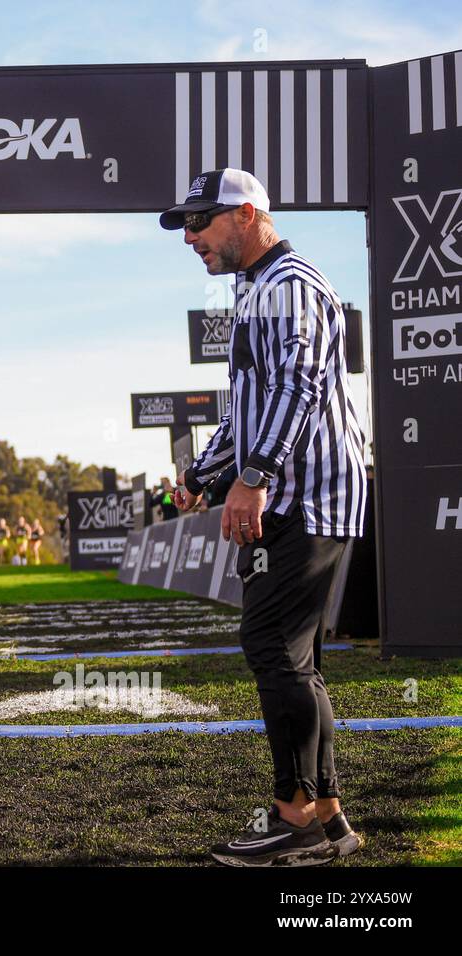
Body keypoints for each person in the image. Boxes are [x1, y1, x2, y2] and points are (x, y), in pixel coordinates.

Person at [163, 167, 368, 866]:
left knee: (273, 648)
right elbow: (251, 408)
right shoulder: (257, 289)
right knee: (295, 660)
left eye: (200, 222)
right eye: (186, 225)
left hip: (305, 496)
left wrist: (253, 478)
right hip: (288, 492)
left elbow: (299, 385)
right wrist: (203, 476)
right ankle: (330, 818)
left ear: (246, 215)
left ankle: (295, 819)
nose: (190, 238)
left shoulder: (291, 285)